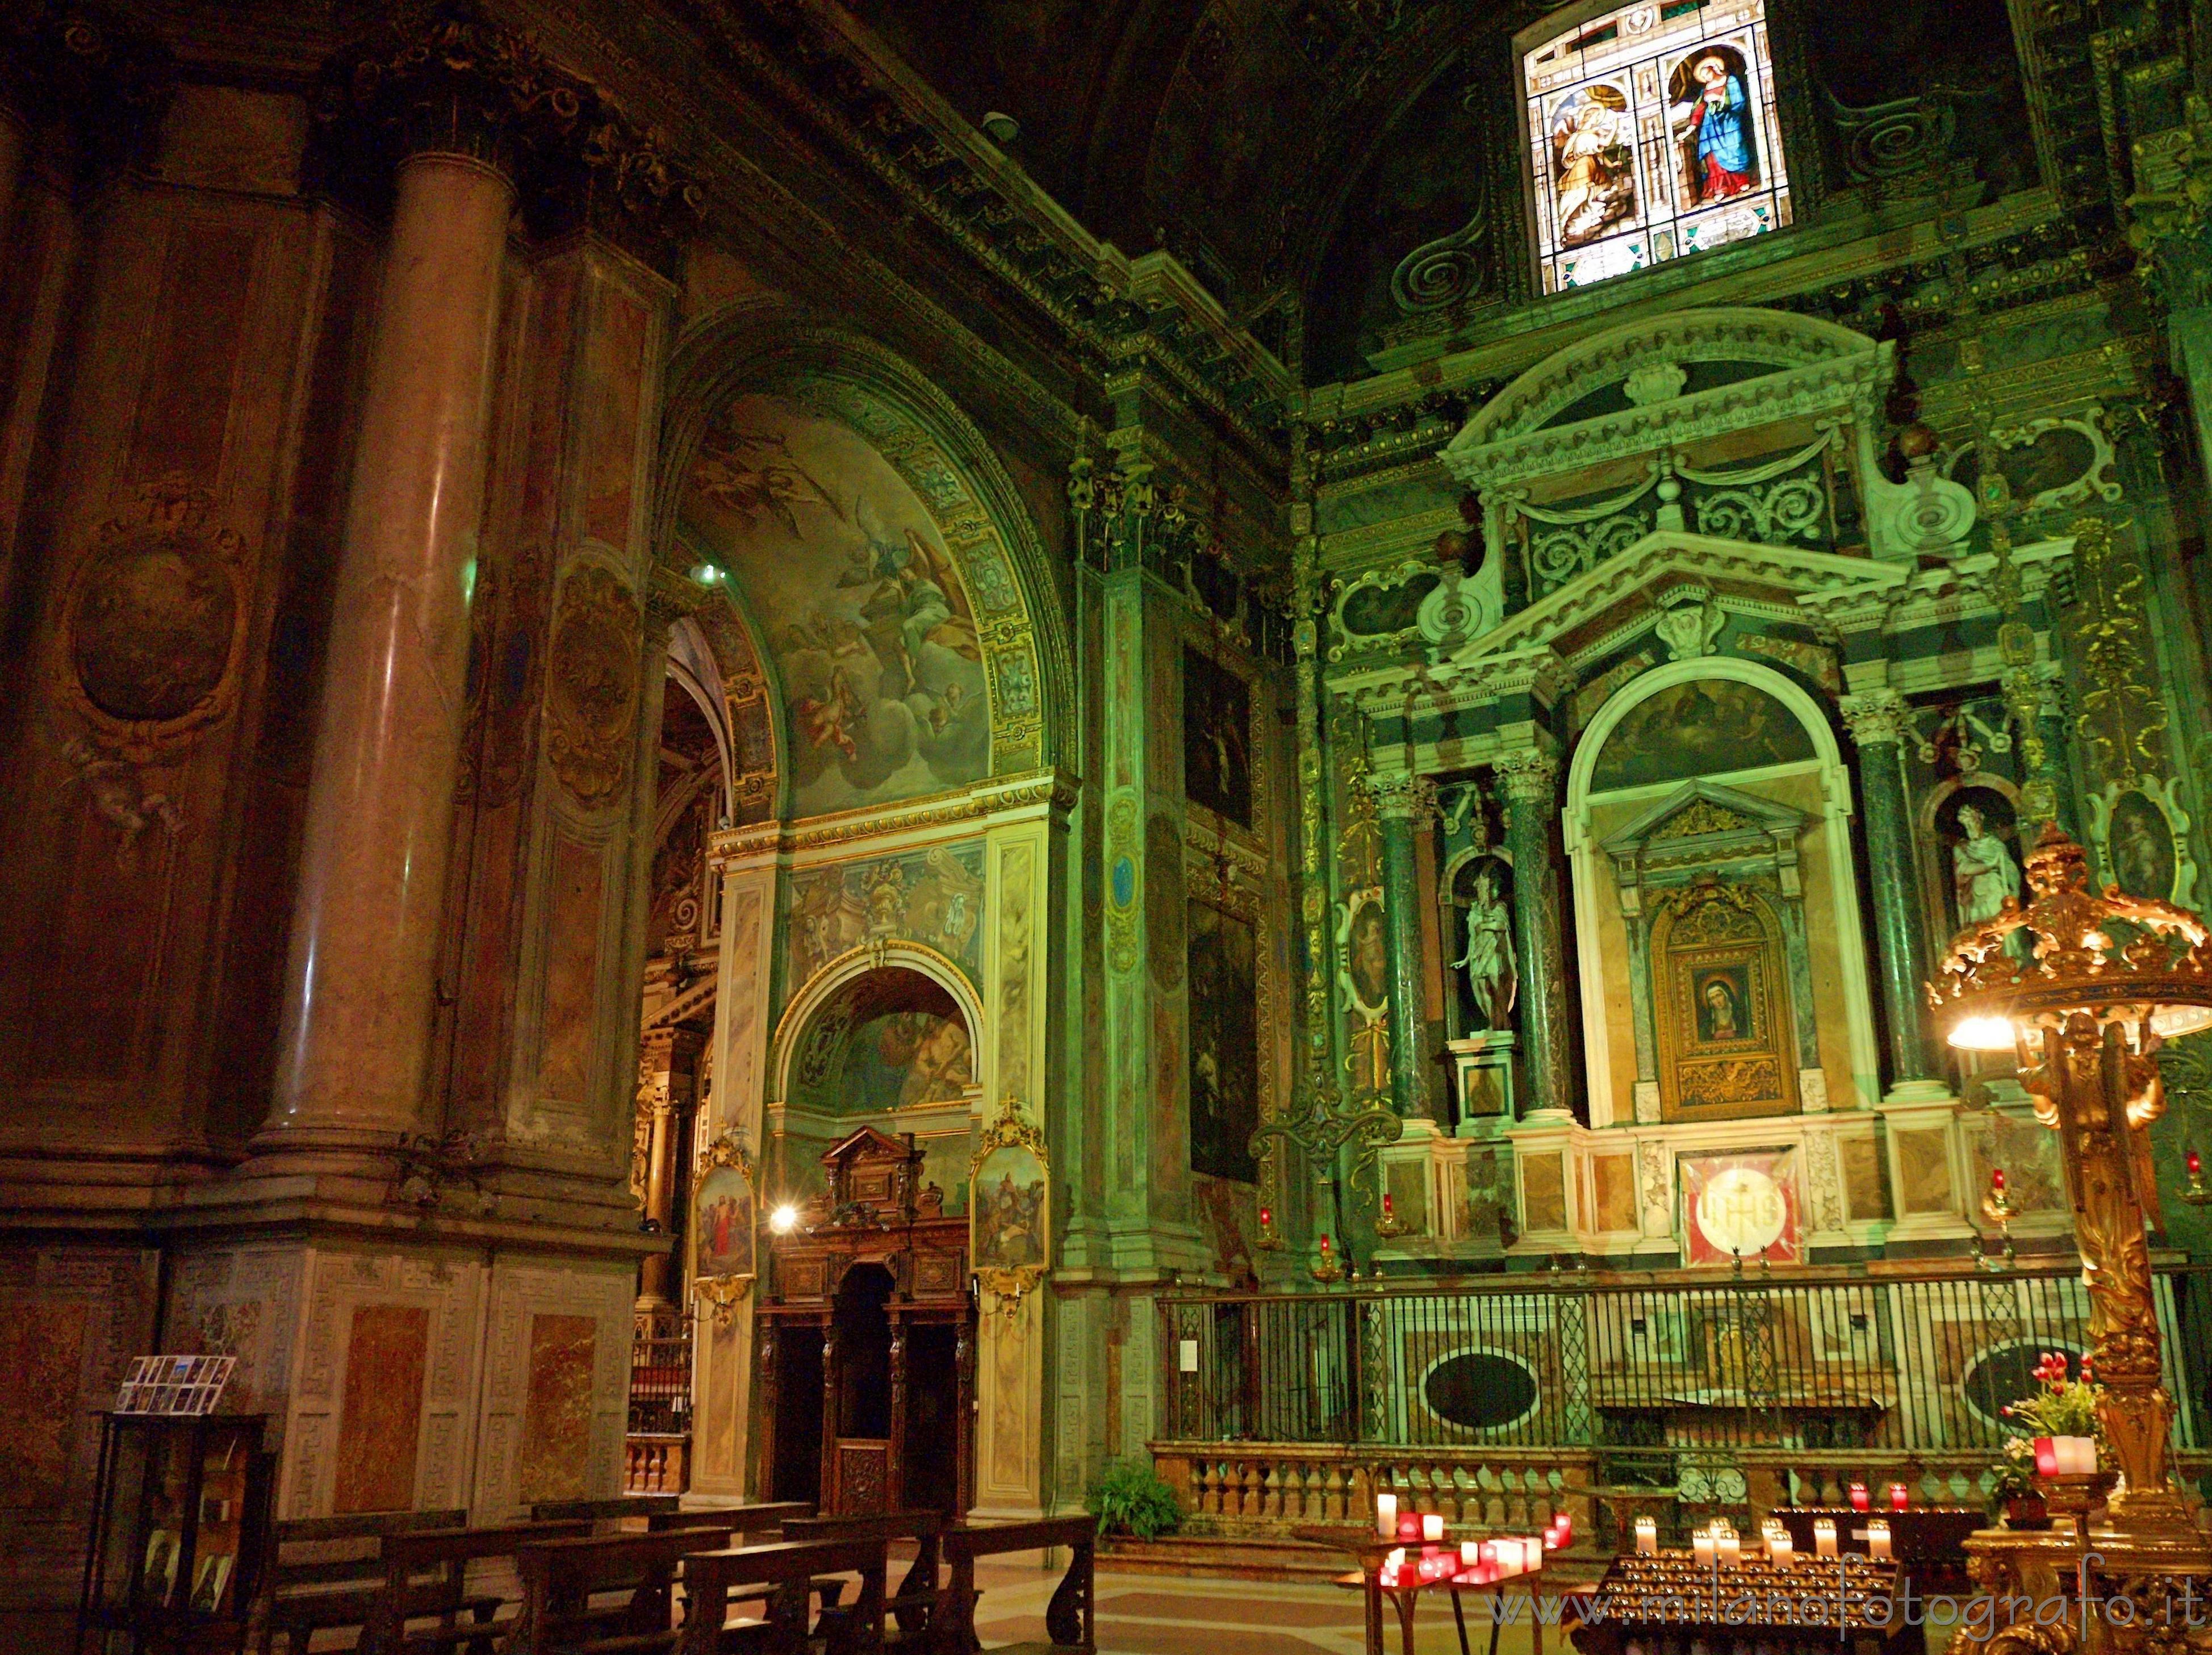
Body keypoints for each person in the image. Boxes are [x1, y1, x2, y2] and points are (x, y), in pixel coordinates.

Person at [1554, 85, 1635, 245]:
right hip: (1581, 168)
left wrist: (1611, 165)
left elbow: (1600, 152)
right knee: (1578, 195)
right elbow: (1567, 158)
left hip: (1592, 166)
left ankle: (1585, 222)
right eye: (1590, 116)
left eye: (1596, 117)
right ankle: (1564, 224)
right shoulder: (1576, 136)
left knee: (1597, 194)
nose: (1592, 119)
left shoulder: (1592, 135)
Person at [1671, 55, 1755, 203]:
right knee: (1712, 156)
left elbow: (1739, 102)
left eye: (1707, 73)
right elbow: (1700, 108)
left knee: (1734, 148)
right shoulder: (1705, 90)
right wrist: (1692, 126)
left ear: (1714, 69)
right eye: (1703, 77)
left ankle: (1741, 182)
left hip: (1729, 122)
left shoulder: (1730, 81)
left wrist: (1721, 100)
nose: (1706, 78)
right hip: (1710, 127)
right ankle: (1720, 188)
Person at [1452, 867, 1516, 1031]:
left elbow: (1502, 926)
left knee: (1496, 986)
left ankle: (1505, 1021)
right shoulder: (1474, 911)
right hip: (1479, 954)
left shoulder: (1499, 907)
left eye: (1486, 889)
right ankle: (1493, 1023)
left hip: (1494, 951)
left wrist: (1484, 925)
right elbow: (1473, 938)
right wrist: (1465, 960)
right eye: (1481, 889)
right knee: (1482, 988)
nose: (1484, 893)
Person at [1952, 803, 2021, 926]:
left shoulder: (1996, 846)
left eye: (1971, 823)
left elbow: (2010, 869)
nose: (1969, 828)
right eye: (1966, 825)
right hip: (1975, 895)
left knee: (1999, 922)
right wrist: (1990, 865)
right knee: (1979, 925)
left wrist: (2014, 889)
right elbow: (1964, 869)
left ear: (1979, 821)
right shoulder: (1962, 849)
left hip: (1996, 890)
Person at [1700, 977, 1742, 1042]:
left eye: (1719, 995)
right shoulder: (1709, 1022)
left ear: (1726, 995)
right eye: (1713, 998)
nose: (1717, 1001)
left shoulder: (1739, 1015)